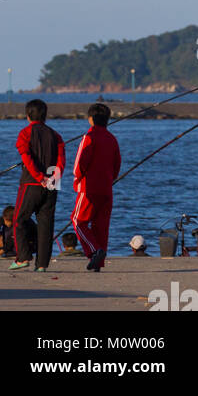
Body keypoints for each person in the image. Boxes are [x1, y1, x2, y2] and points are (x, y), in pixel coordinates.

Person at [11, 98, 65, 273]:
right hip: (52, 184)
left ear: (28, 116)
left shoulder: (25, 133)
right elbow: (61, 161)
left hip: (31, 183)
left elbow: (26, 156)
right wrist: (53, 178)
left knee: (19, 219)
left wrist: (39, 176)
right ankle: (42, 264)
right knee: (46, 224)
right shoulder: (56, 135)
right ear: (45, 115)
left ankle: (23, 258)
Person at [72, 102, 121, 271]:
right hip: (107, 188)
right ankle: (98, 262)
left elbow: (79, 164)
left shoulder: (89, 137)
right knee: (101, 226)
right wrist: (109, 179)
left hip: (88, 188)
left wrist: (77, 180)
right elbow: (117, 165)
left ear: (91, 119)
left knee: (78, 221)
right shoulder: (112, 138)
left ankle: (94, 251)